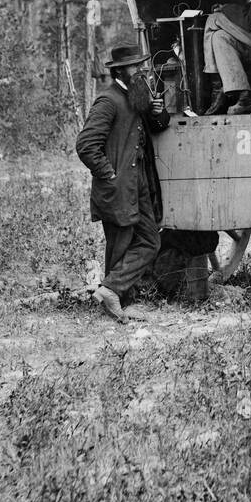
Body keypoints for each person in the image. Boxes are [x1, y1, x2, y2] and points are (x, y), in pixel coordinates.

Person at [75, 43, 170, 323]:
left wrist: (157, 111)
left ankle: (111, 290)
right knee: (120, 244)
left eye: (142, 65)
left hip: (137, 183)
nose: (141, 70)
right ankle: (117, 300)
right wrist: (109, 174)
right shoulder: (109, 101)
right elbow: (86, 145)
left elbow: (157, 127)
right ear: (120, 71)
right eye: (135, 66)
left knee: (150, 241)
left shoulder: (136, 96)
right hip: (117, 186)